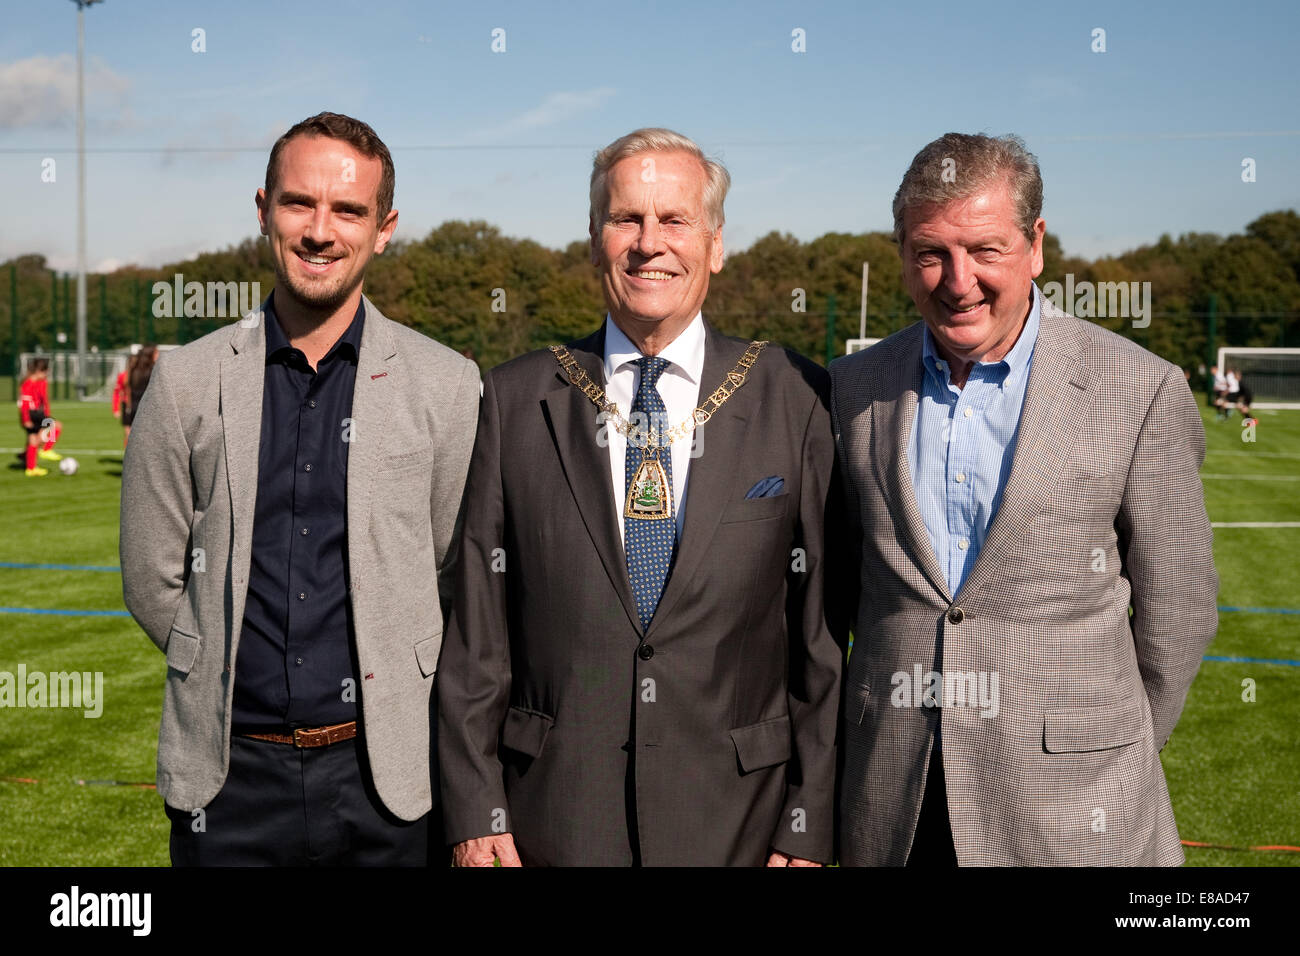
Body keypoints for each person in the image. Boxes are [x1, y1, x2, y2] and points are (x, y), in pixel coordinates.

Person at [437, 128, 844, 866]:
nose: (648, 243)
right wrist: (474, 810)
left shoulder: (797, 396)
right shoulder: (513, 398)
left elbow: (821, 640)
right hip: (550, 817)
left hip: (738, 823)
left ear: (715, 245)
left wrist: (809, 820)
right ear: (595, 241)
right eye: (627, 220)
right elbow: (476, 638)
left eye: (675, 220)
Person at [831, 133, 1218, 866]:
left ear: (1035, 244)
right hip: (894, 806)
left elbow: (1182, 611)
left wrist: (1101, 743)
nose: (957, 279)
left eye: (984, 250)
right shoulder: (853, 387)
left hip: (1075, 809)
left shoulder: (1140, 388)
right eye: (930, 252)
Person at [120, 112, 480, 866]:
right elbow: (152, 577)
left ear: (384, 229)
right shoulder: (186, 381)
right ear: (263, 211)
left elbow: (450, 570)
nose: (321, 230)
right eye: (298, 204)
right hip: (228, 782)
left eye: (348, 210)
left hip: (388, 785)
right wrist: (217, 664)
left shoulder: (446, 385)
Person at [17, 358, 61, 477]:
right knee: (55, 426)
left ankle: (30, 467)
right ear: (38, 371)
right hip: (31, 414)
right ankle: (46, 450)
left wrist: (46, 411)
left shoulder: (40, 382)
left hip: (36, 413)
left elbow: (43, 399)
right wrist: (26, 419)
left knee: (33, 439)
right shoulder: (28, 383)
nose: (46, 374)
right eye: (45, 371)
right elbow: (24, 404)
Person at [121, 344, 158, 445]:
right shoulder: (153, 370)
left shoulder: (134, 369)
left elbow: (127, 385)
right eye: (156, 353)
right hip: (145, 406)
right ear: (150, 354)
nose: (158, 355)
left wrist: (128, 405)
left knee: (133, 435)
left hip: (134, 405)